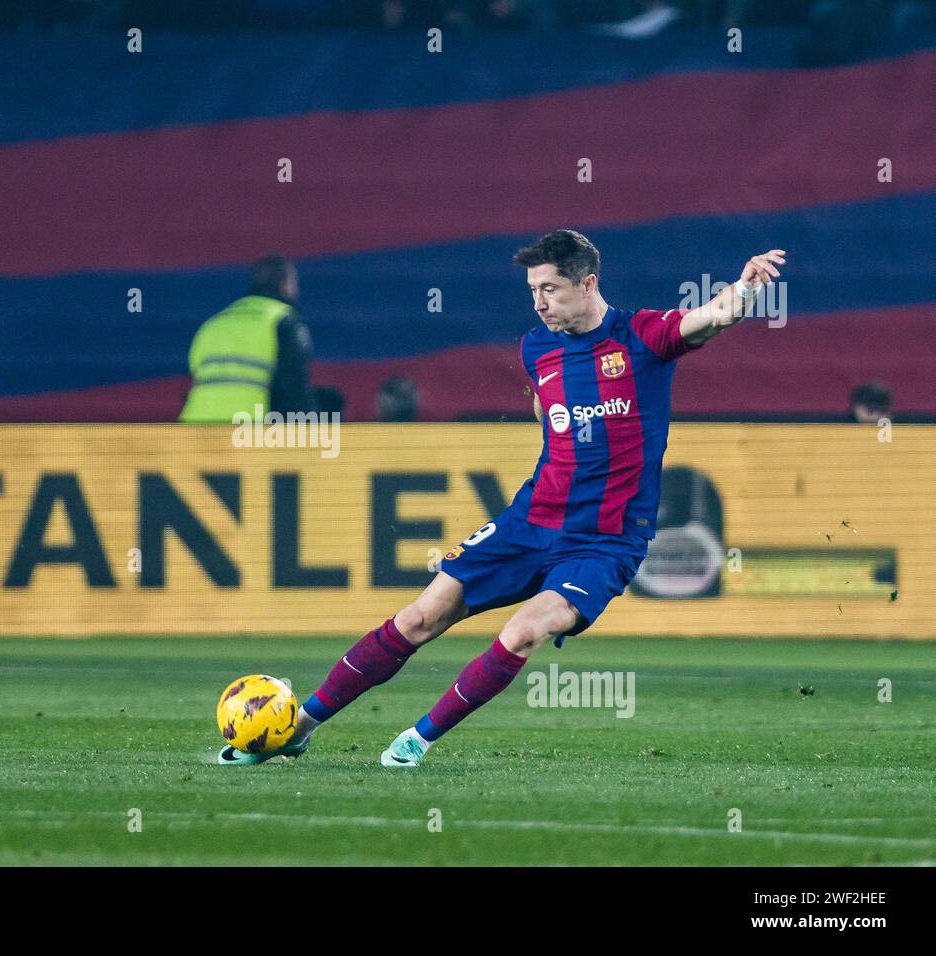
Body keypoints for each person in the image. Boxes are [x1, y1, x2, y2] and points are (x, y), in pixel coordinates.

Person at [220, 229, 786, 767]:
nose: (539, 303)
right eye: (533, 291)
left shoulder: (639, 337)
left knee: (523, 630)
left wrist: (745, 289)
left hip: (605, 543)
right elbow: (550, 414)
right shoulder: (537, 348)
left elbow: (709, 318)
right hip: (530, 523)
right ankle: (299, 730)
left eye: (550, 289)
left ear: (587, 283)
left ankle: (417, 740)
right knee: (420, 617)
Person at [178, 255, 315, 422]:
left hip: (197, 426)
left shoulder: (214, 323)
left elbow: (196, 373)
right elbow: (294, 387)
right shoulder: (282, 321)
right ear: (285, 285)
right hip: (247, 430)